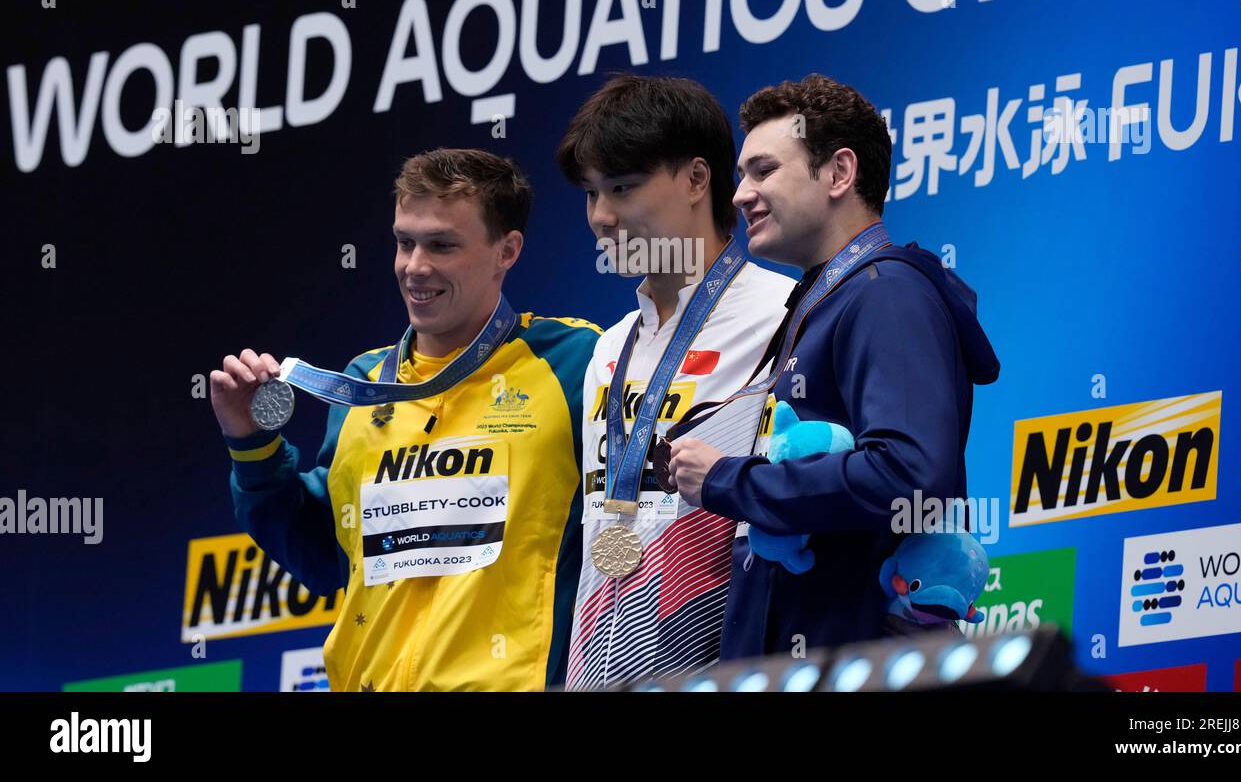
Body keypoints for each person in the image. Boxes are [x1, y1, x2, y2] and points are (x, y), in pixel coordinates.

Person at [210, 148, 599, 690]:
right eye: (404, 241)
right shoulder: (363, 382)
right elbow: (325, 560)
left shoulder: (575, 361)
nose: (415, 267)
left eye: (442, 245)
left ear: (506, 251)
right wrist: (250, 443)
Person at [667, 74, 1000, 659]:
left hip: (858, 664)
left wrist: (730, 480)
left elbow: (907, 476)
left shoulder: (886, 294)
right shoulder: (832, 297)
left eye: (764, 171)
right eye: (741, 173)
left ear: (840, 174)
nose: (741, 193)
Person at [555, 74, 794, 688]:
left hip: (732, 664)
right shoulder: (608, 350)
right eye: (591, 193)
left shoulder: (789, 316)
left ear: (696, 179)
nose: (602, 218)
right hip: (603, 667)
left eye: (624, 187)